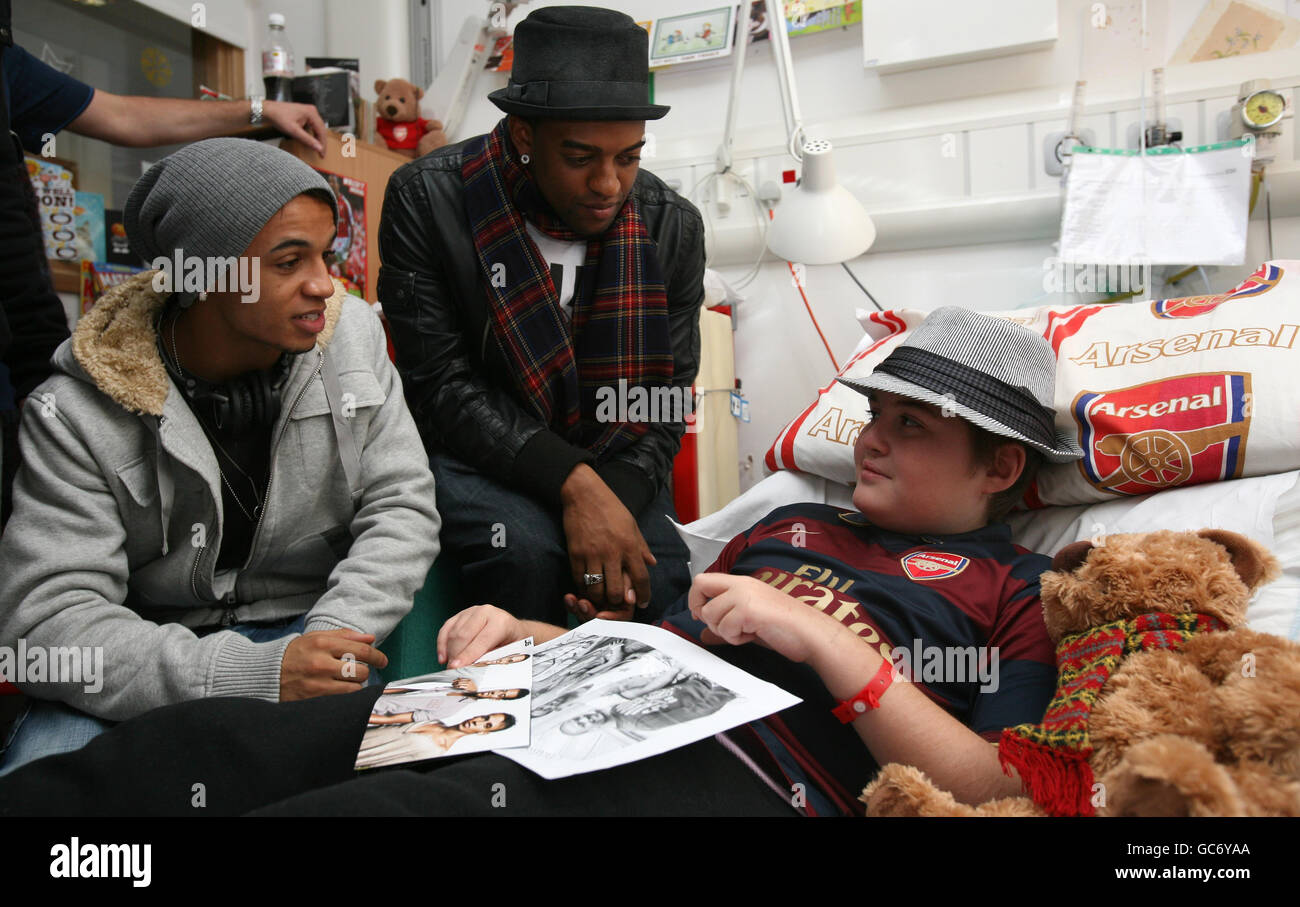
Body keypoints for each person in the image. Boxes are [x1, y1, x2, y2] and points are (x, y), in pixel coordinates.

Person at [0, 306, 1083, 817]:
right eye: (873, 415)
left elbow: (996, 784)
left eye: (913, 429)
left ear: (999, 469)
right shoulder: (783, 530)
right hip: (583, 694)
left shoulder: (1015, 593)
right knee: (234, 742)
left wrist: (826, 644)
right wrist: (544, 640)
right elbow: (671, 646)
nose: (873, 442)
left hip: (753, 773)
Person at [0, 138, 440, 776]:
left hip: (320, 624)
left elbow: (402, 504)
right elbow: (49, 620)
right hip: (149, 652)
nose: (326, 285)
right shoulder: (72, 413)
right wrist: (244, 673)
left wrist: (331, 636)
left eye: (327, 254)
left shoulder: (353, 337)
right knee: (43, 792)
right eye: (289, 261)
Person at [378, 6, 704, 626]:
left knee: (656, 573)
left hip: (620, 454)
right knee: (525, 553)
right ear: (524, 136)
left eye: (629, 157)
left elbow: (665, 399)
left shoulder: (672, 225)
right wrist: (574, 486)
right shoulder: (429, 197)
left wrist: (611, 503)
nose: (609, 183)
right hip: (482, 452)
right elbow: (440, 385)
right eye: (581, 157)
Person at [356, 713, 516, 770]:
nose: (479, 722)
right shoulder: (434, 720)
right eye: (485, 717)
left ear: (483, 732)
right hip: (350, 733)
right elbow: (387, 719)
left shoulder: (439, 752)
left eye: (487, 725)